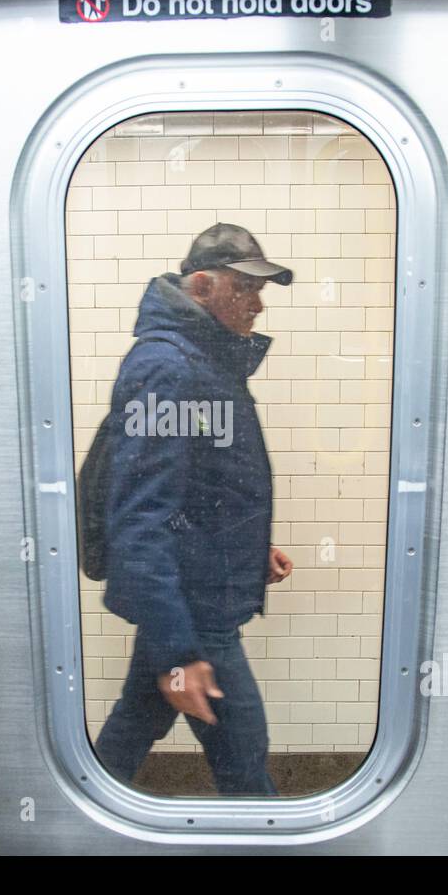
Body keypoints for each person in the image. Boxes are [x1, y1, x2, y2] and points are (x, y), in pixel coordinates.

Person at [94, 224, 294, 796]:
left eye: (261, 292)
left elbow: (201, 489)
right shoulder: (170, 370)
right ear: (202, 285)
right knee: (244, 759)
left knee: (129, 736)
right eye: (244, 289)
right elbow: (140, 516)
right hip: (197, 615)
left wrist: (251, 546)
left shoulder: (200, 361)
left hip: (191, 598)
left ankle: (70, 833)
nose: (257, 305)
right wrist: (180, 653)